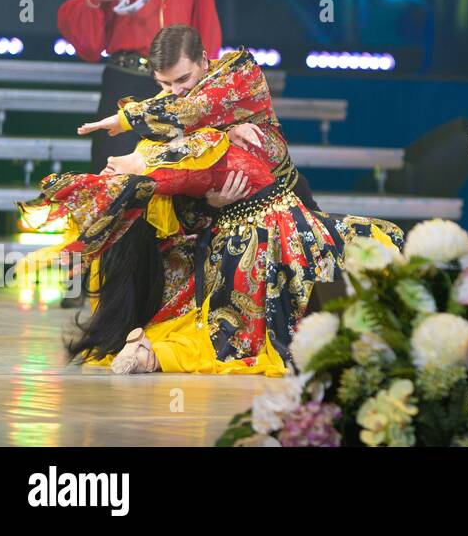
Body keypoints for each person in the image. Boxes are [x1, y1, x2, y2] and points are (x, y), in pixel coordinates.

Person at [22, 127, 403, 376]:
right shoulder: (178, 157)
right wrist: (213, 207)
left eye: (184, 81)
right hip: (245, 242)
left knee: (233, 322)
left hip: (267, 226)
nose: (180, 91)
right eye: (171, 83)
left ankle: (147, 351)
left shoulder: (208, 136)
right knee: (241, 329)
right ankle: (148, 352)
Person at [75, 24, 319, 212]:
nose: (176, 90)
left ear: (203, 59)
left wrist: (124, 119)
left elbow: (193, 110)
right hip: (222, 216)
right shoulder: (167, 101)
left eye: (183, 79)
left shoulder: (239, 72)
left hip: (283, 198)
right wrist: (211, 202)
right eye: (164, 82)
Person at [57, 0, 222, 170]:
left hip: (177, 89)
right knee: (116, 172)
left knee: (176, 170)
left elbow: (208, 36)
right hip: (126, 83)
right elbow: (84, 40)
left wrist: (202, 87)